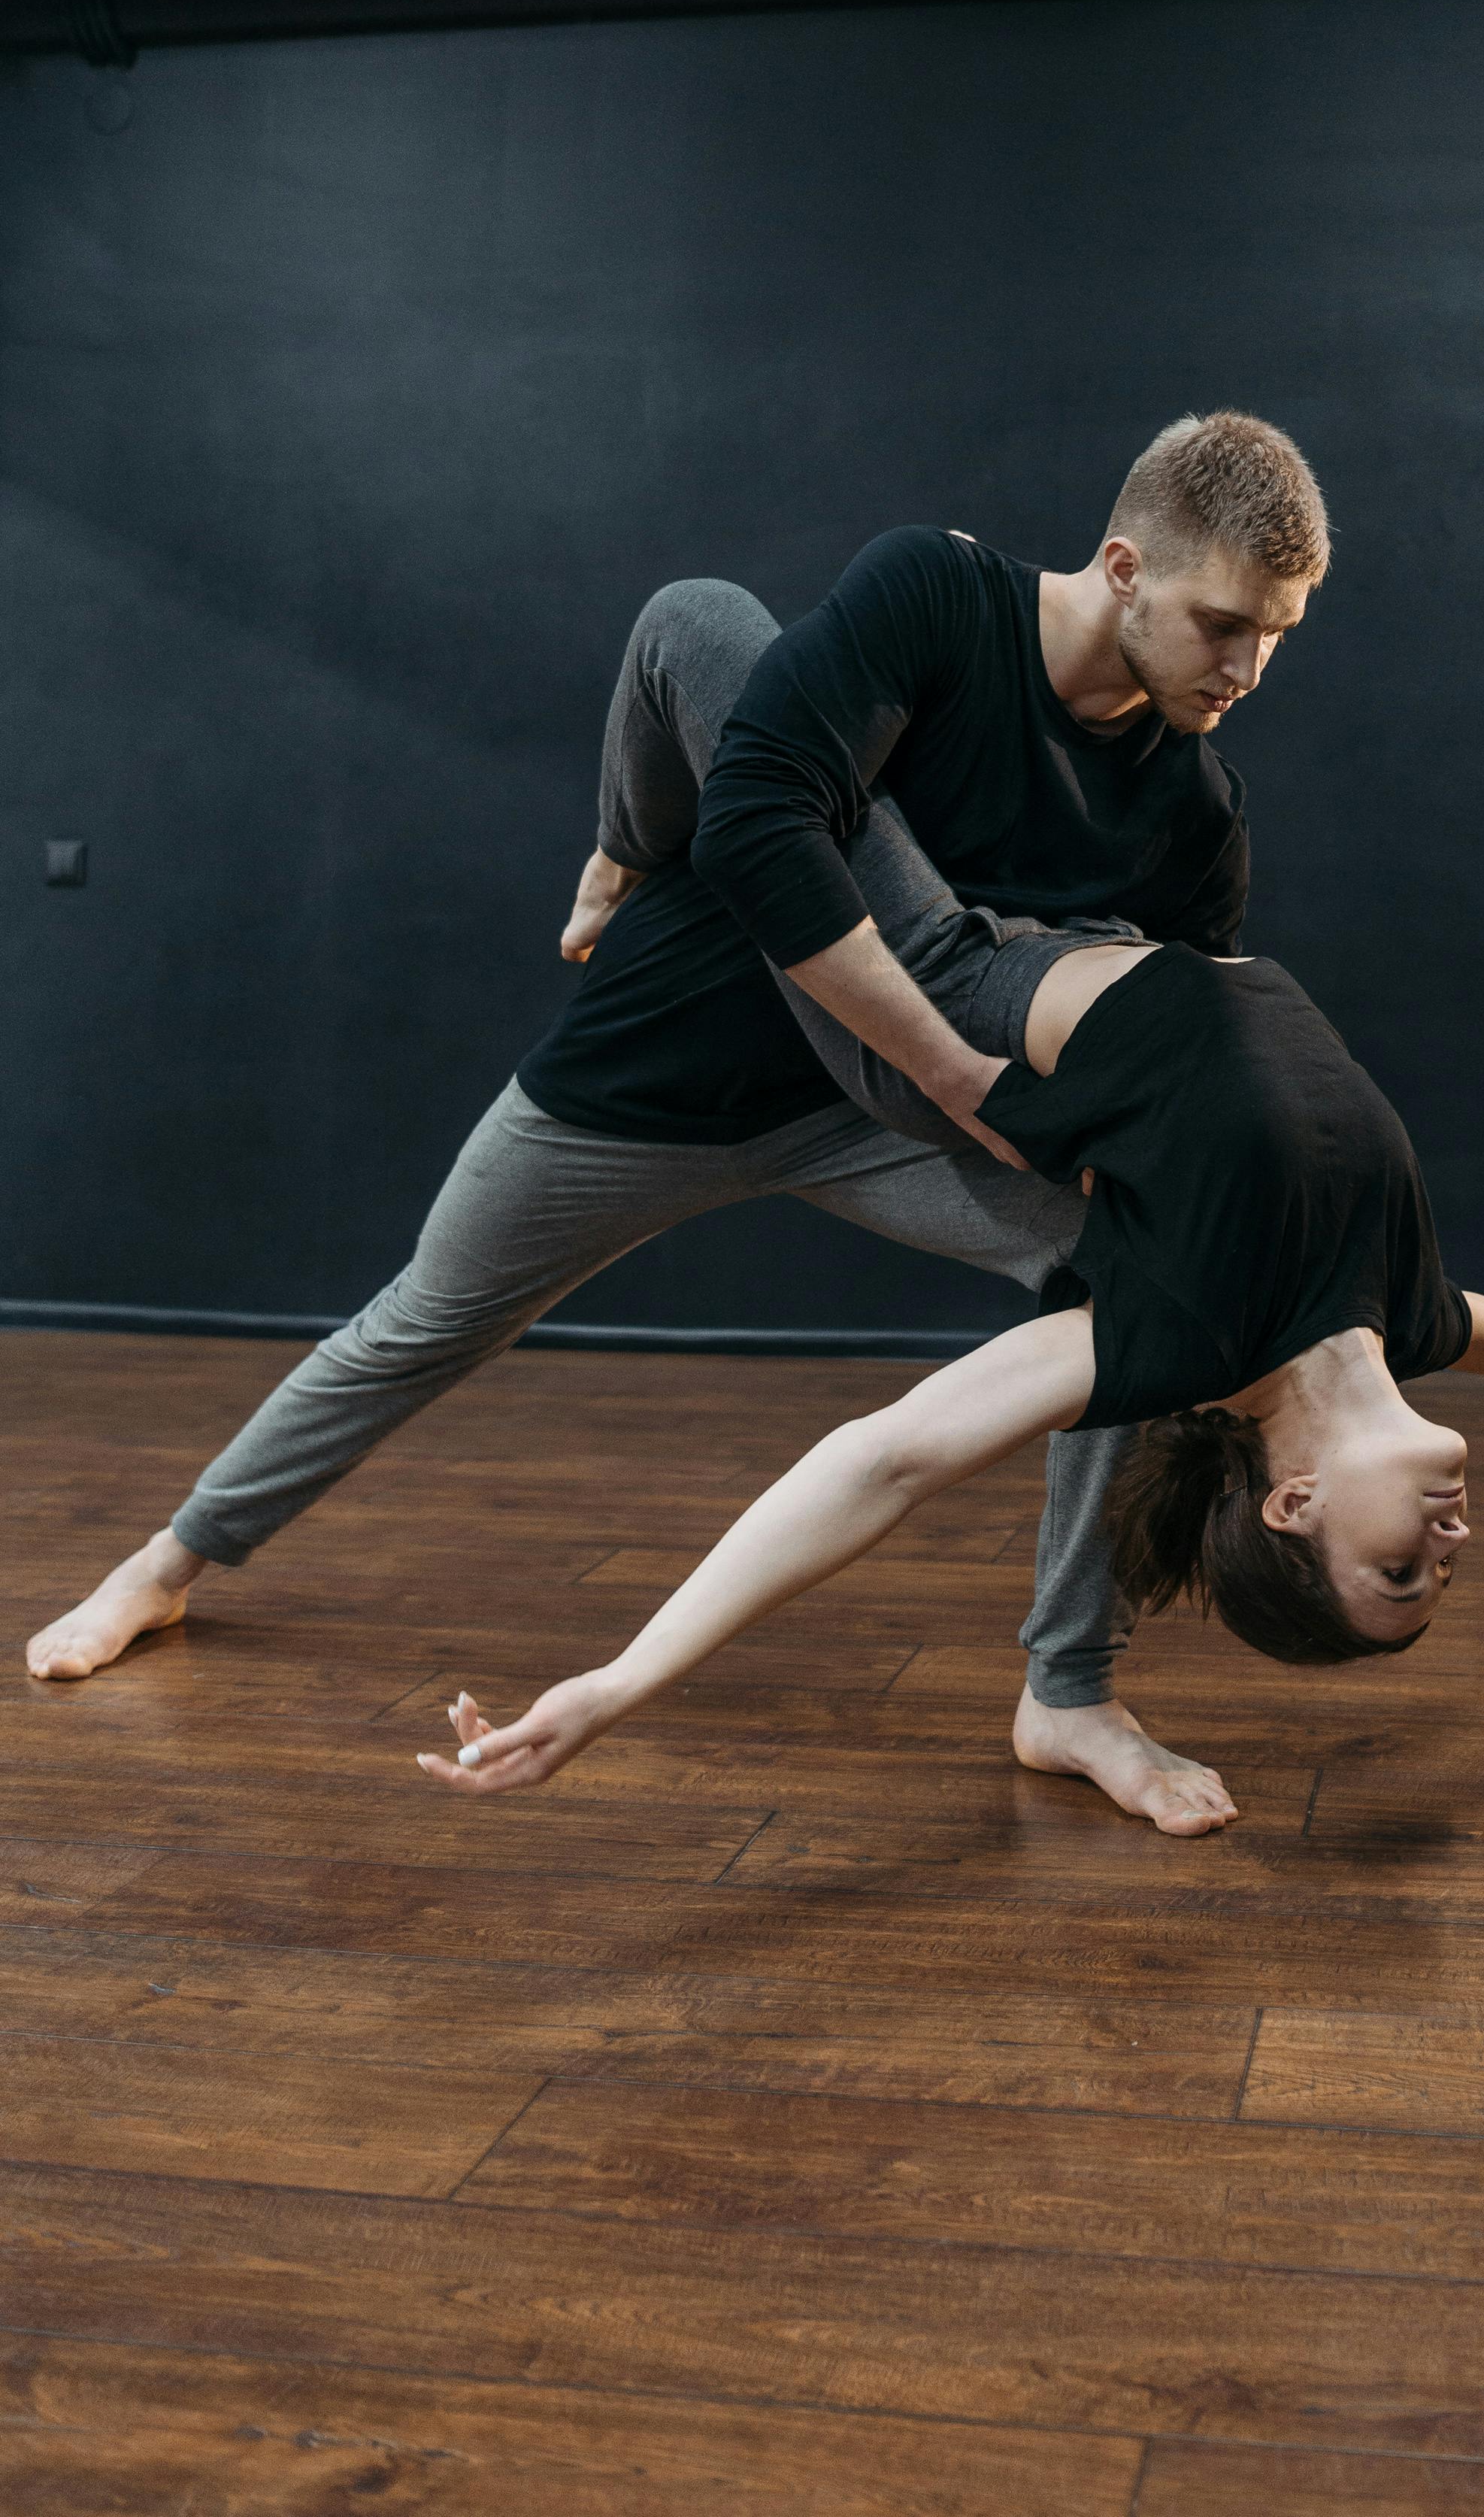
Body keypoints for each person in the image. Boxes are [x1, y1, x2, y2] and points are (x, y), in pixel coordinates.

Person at [27, 411, 1329, 1839]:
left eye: (1276, 636)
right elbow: (751, 798)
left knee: (1130, 1274)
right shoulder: (938, 600)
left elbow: (1179, 1042)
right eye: (1222, 626)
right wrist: (653, 859)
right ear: (1126, 567)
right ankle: (168, 1562)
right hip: (654, 1075)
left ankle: (1067, 1692)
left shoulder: (1193, 811)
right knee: (419, 1324)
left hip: (877, 1124)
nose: (1247, 670)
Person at [418, 914, 1484, 1799]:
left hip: (936, 970)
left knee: (709, 651)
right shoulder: (1408, 1318)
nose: (1453, 1542)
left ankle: (636, 852)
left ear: (1295, 1503)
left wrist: (623, 1682)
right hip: (1113, 907)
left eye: (1401, 1570)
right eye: (1443, 1572)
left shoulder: (1178, 1344)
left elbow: (884, 1461)